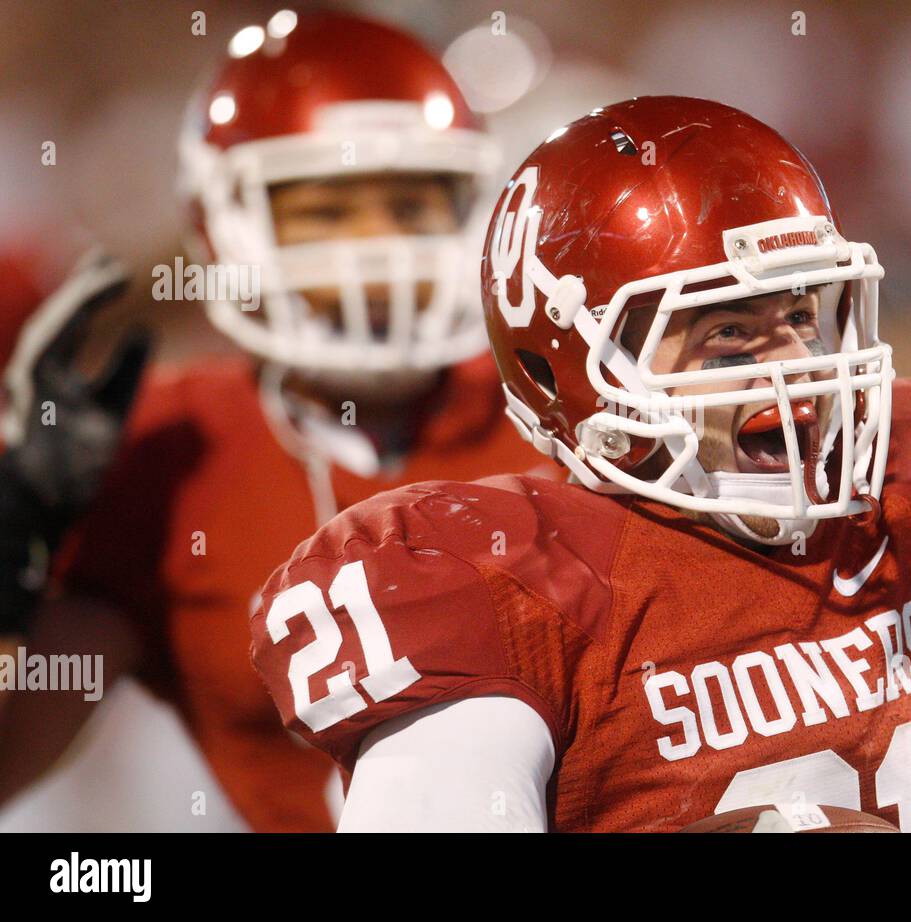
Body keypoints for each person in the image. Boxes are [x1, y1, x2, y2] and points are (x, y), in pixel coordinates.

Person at [251, 79, 911, 831]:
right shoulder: (495, 579)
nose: (793, 365)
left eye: (804, 313)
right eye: (727, 329)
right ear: (563, 364)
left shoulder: (903, 521)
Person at [0, 10, 547, 833]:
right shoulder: (172, 449)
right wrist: (11, 554)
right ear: (227, 230)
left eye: (407, 205)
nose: (374, 252)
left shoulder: (563, 408)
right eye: (327, 214)